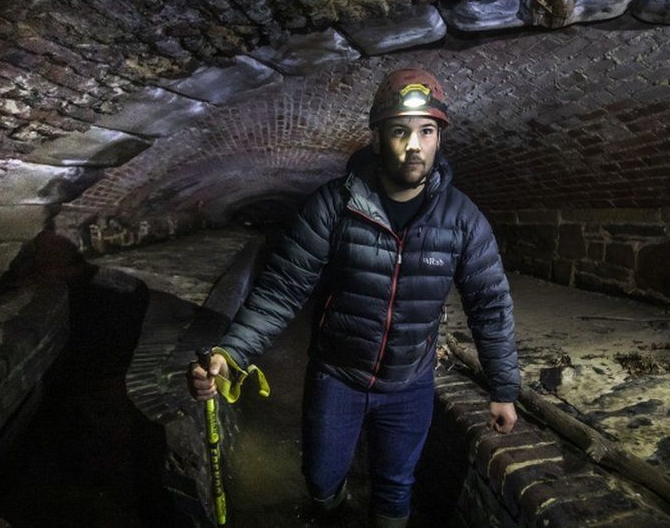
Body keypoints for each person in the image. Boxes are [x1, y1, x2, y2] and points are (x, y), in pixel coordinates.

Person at [187, 68, 521, 527]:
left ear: (439, 137)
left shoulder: (463, 220)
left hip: (410, 384)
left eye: (426, 131)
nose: (413, 145)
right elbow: (282, 289)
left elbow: (490, 304)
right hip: (338, 378)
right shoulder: (332, 206)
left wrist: (503, 388)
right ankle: (334, 513)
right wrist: (230, 352)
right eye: (400, 131)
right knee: (321, 480)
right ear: (377, 136)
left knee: (397, 486)